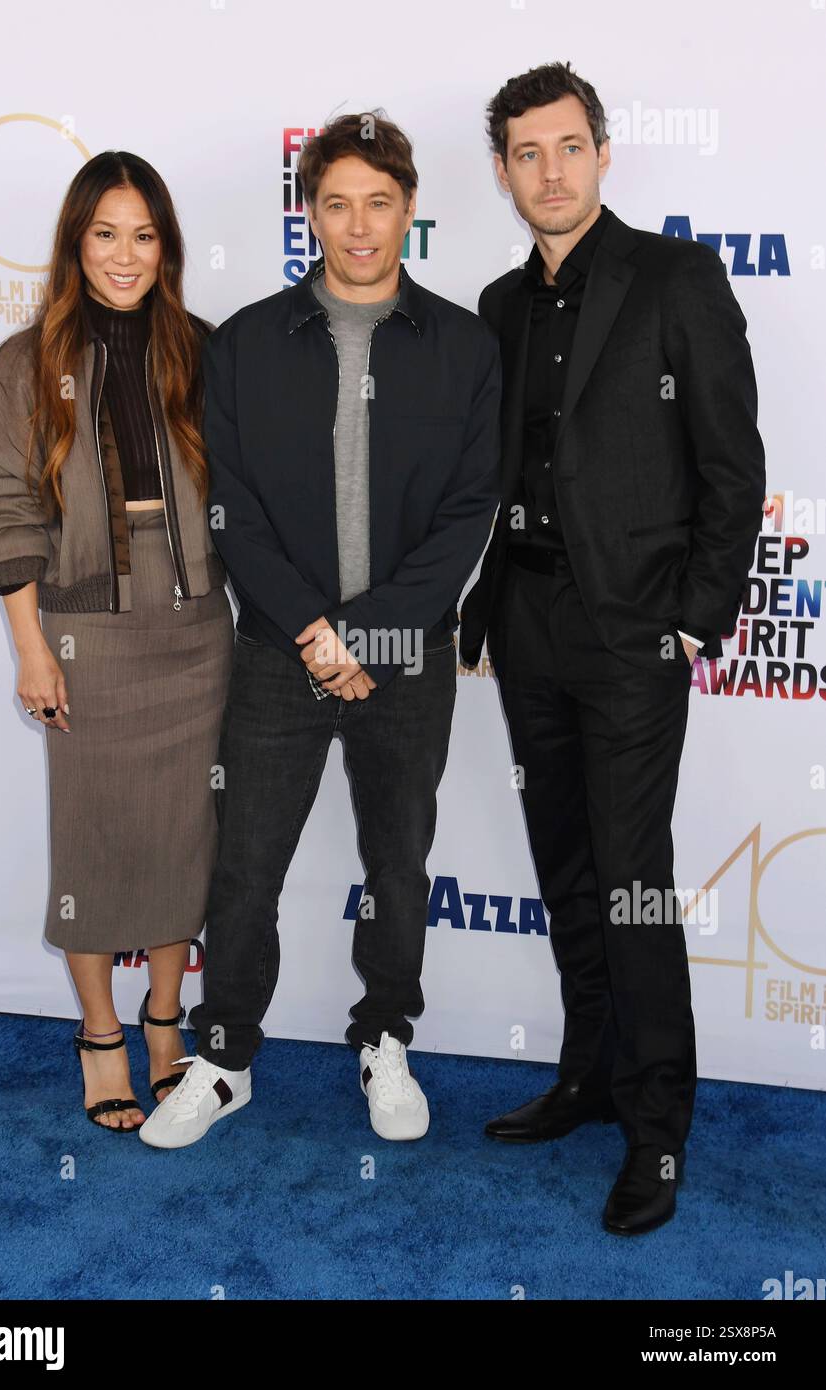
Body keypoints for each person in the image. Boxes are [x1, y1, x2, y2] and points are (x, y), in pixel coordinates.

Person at [139, 111, 500, 1150]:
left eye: (377, 203)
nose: (357, 225)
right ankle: (226, 1055)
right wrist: (310, 629)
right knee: (244, 867)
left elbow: (467, 513)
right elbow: (232, 508)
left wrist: (371, 634)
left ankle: (385, 1035)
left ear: (408, 211)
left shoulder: (464, 346)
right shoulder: (248, 339)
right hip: (277, 652)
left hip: (407, 655)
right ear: (308, 214)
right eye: (335, 204)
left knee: (397, 863)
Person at [460, 62, 765, 1233]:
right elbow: (499, 477)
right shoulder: (497, 304)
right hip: (527, 622)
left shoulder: (675, 276)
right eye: (526, 153)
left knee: (632, 880)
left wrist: (693, 615)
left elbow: (731, 467)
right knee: (567, 866)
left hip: (633, 630)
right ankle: (588, 1072)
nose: (549, 169)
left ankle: (657, 1126)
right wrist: (482, 597)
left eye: (567, 146)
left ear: (601, 153)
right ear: (501, 172)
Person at [0, 151, 234, 1132]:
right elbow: (11, 512)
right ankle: (101, 1036)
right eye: (105, 232)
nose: (125, 254)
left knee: (180, 839)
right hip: (79, 631)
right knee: (93, 838)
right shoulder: (26, 363)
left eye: (144, 234)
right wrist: (31, 648)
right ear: (77, 243)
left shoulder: (201, 348)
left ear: (168, 247)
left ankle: (168, 1023)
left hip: (196, 630)